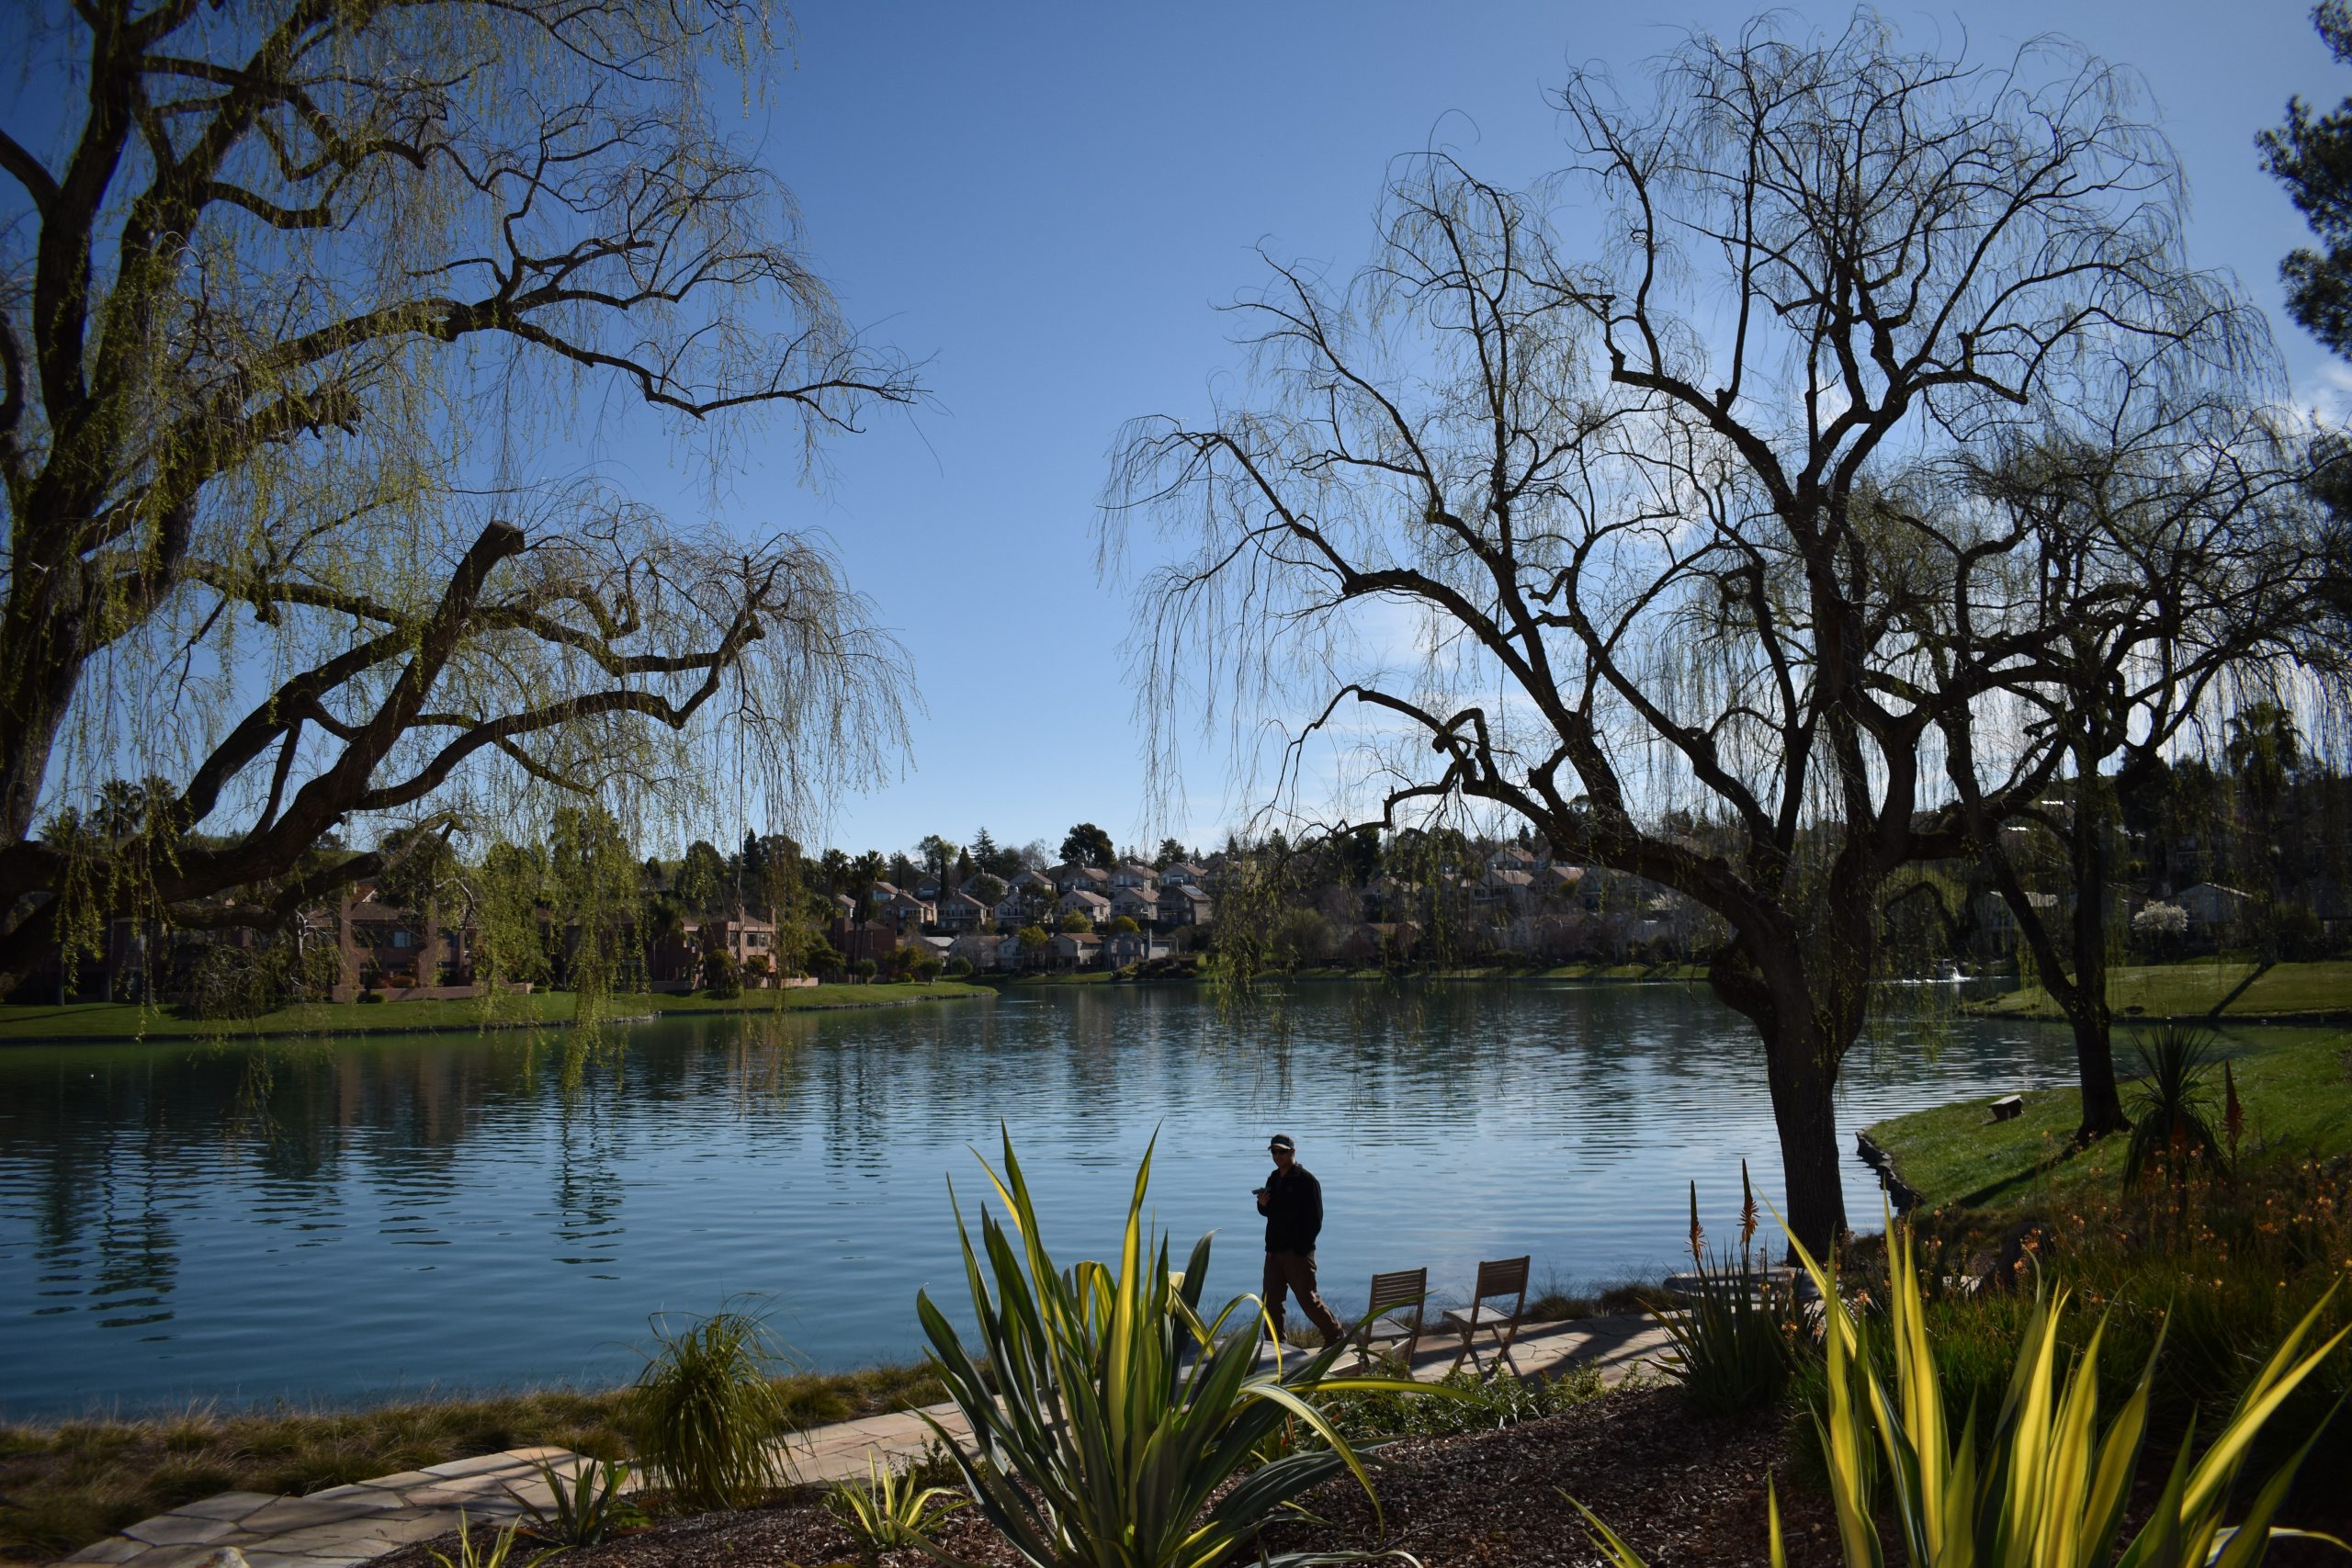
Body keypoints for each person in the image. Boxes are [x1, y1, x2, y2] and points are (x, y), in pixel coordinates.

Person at [1255, 1133, 1342, 1348]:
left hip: (1297, 1254)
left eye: (1281, 1152)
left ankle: (1335, 1337)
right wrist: (1262, 1205)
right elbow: (1269, 1212)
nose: (1277, 1156)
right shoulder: (1274, 1178)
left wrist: (1300, 1249)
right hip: (1273, 1253)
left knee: (1308, 1300)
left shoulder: (1307, 1181)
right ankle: (1275, 1347)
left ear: (1292, 1152)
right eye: (1274, 1152)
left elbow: (1315, 1220)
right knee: (1271, 1304)